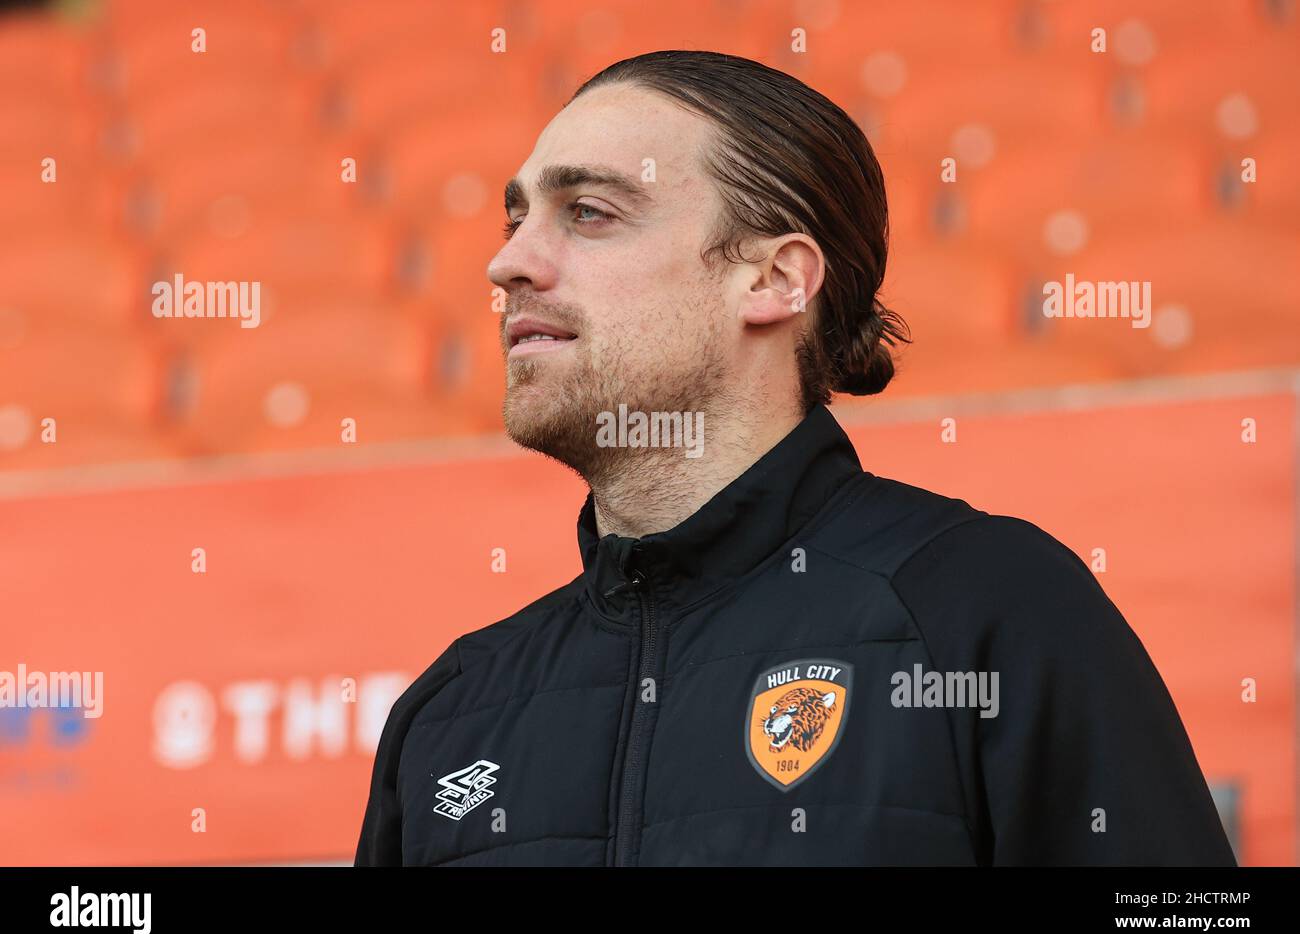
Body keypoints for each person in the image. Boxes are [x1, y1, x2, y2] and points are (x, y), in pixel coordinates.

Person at [355, 50, 1235, 866]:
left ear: (775, 281)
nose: (506, 262)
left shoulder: (990, 610)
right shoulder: (452, 712)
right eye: (516, 219)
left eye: (588, 212)